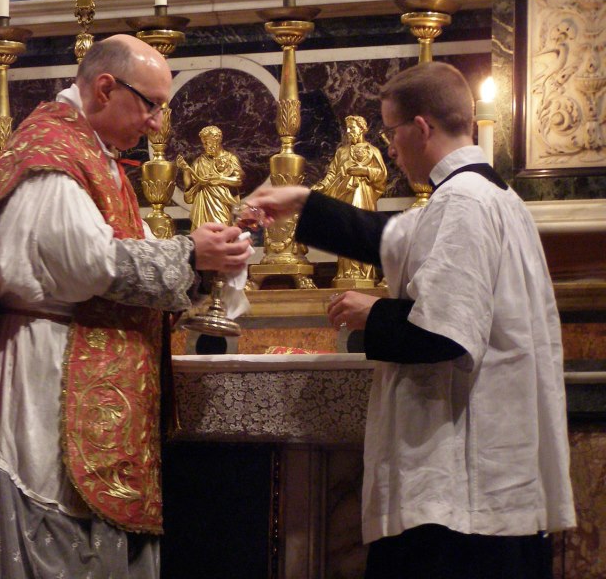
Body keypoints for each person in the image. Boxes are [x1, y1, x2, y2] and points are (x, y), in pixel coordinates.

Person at [0, 34, 251, 578]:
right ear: (105, 88)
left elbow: (132, 264)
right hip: (48, 378)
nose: (156, 124)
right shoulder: (53, 157)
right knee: (52, 537)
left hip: (84, 372)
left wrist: (210, 261)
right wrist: (189, 254)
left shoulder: (94, 158)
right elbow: (87, 266)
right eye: (151, 105)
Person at [246, 62, 575, 579]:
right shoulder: (488, 195)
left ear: (421, 127)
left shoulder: (462, 203)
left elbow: (440, 335)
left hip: (460, 494)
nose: (390, 147)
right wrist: (301, 204)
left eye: (391, 131)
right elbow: (392, 235)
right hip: (483, 488)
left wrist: (369, 313)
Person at [311, 114, 386, 286]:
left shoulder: (373, 151)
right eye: (348, 129)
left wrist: (365, 171)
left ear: (362, 129)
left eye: (352, 128)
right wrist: (322, 186)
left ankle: (364, 273)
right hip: (344, 194)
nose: (349, 131)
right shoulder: (341, 152)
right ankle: (346, 271)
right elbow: (331, 174)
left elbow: (382, 175)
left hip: (363, 195)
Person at [176, 125, 244, 229]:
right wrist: (185, 170)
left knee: (221, 231)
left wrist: (218, 179)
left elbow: (238, 180)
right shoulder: (199, 161)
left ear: (217, 141)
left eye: (207, 142)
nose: (205, 146)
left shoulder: (230, 158)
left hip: (221, 204)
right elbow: (190, 185)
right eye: (204, 143)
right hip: (202, 205)